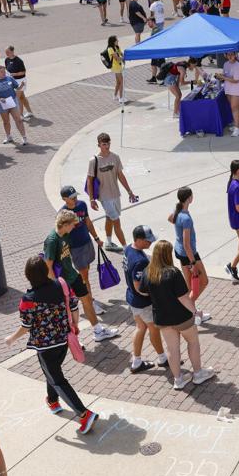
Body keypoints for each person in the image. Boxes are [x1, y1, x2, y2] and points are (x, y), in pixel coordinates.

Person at [6, 256, 98, 433]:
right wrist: (75, 326)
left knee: (57, 378)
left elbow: (26, 326)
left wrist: (12, 338)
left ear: (28, 275)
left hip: (44, 346)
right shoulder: (61, 285)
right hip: (64, 339)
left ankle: (84, 414)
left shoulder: (28, 299)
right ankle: (53, 401)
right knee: (53, 371)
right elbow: (73, 307)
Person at [143, 239, 213, 389]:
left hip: (162, 318)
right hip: (181, 317)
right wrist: (196, 312)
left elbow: (142, 290)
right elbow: (183, 298)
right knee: (193, 342)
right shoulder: (173, 273)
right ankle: (198, 374)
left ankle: (178, 379)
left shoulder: (149, 273)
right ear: (168, 255)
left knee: (172, 349)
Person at [55, 189, 117, 340]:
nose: (75, 198)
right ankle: (89, 301)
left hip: (87, 244)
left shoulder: (82, 205)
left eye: (75, 196)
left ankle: (87, 298)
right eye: (71, 197)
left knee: (87, 273)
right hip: (75, 248)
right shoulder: (62, 213)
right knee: (84, 277)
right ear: (64, 199)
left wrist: (96, 237)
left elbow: (88, 222)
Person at [123, 225, 167, 374]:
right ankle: (162, 359)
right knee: (154, 329)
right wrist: (153, 296)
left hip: (132, 299)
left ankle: (136, 362)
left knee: (140, 328)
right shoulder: (140, 261)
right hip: (142, 303)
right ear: (139, 240)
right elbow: (139, 287)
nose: (150, 243)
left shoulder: (128, 249)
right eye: (147, 241)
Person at [86, 133, 137, 252]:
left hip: (115, 194)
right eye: (104, 144)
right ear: (99, 145)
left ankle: (108, 243)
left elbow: (120, 175)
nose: (107, 146)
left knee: (109, 218)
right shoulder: (93, 161)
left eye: (108, 143)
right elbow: (89, 181)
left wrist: (129, 191)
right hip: (104, 197)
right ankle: (126, 249)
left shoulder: (115, 157)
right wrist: (92, 199)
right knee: (116, 221)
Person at [169, 187, 211, 325]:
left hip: (179, 252)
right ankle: (186, 308)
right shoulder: (186, 218)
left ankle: (191, 311)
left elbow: (170, 219)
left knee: (189, 286)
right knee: (203, 281)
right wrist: (192, 264)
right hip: (189, 254)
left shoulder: (178, 212)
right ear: (189, 198)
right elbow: (187, 244)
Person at [0, 64, 27, 146]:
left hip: (12, 102)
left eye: (4, 71)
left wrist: (21, 85)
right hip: (2, 104)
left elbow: (17, 88)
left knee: (18, 119)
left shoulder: (9, 78)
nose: (4, 73)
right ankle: (9, 136)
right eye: (2, 71)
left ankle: (24, 137)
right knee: (6, 121)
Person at [3, 45, 33, 119]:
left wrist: (15, 74)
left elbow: (23, 72)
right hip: (13, 81)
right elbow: (7, 70)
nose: (6, 53)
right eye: (6, 52)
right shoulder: (6, 60)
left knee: (17, 98)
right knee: (22, 97)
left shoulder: (18, 60)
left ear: (12, 51)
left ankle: (20, 115)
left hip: (21, 81)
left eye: (8, 52)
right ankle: (29, 112)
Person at [221, 51, 239, 137]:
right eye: (228, 54)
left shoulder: (238, 65)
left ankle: (237, 127)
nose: (230, 56)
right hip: (228, 89)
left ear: (235, 55)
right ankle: (238, 124)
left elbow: (236, 80)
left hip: (236, 90)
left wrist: (224, 77)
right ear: (225, 55)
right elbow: (226, 75)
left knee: (234, 108)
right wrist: (221, 76)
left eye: (232, 54)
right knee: (235, 108)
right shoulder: (225, 64)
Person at [104, 35, 125, 103]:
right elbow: (117, 58)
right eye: (116, 40)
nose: (118, 41)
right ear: (113, 42)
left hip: (119, 66)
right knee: (122, 82)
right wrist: (123, 58)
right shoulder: (110, 49)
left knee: (118, 82)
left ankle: (115, 96)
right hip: (115, 67)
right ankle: (121, 98)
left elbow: (121, 54)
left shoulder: (117, 47)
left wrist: (124, 56)